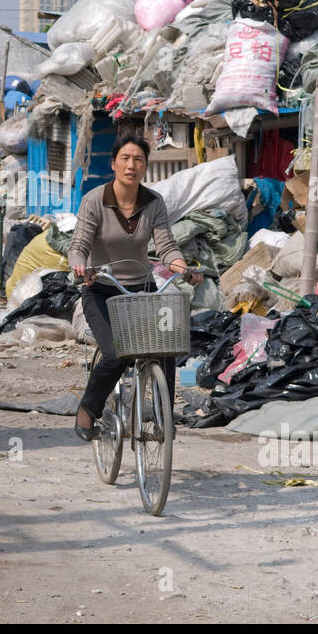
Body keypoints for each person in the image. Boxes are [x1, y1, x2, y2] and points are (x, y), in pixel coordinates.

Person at [67, 133, 201, 442]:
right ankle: (88, 409)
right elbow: (79, 244)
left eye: (138, 159)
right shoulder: (94, 200)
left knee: (165, 344)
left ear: (145, 166)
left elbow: (166, 247)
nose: (131, 165)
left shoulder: (153, 202)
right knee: (116, 355)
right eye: (125, 159)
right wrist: (78, 264)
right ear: (113, 164)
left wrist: (184, 269)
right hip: (101, 289)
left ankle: (163, 415)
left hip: (141, 290)